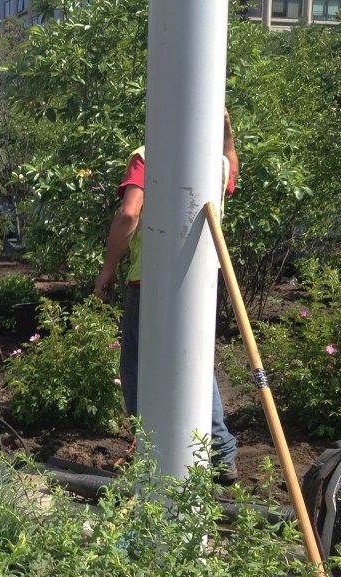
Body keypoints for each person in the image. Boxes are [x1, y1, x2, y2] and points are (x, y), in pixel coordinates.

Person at [93, 109, 239, 483]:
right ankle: (221, 455)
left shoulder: (149, 154)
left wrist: (108, 269)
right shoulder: (215, 163)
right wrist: (227, 134)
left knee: (135, 369)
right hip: (201, 283)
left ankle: (149, 448)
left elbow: (129, 213)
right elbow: (231, 167)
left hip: (151, 282)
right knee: (194, 365)